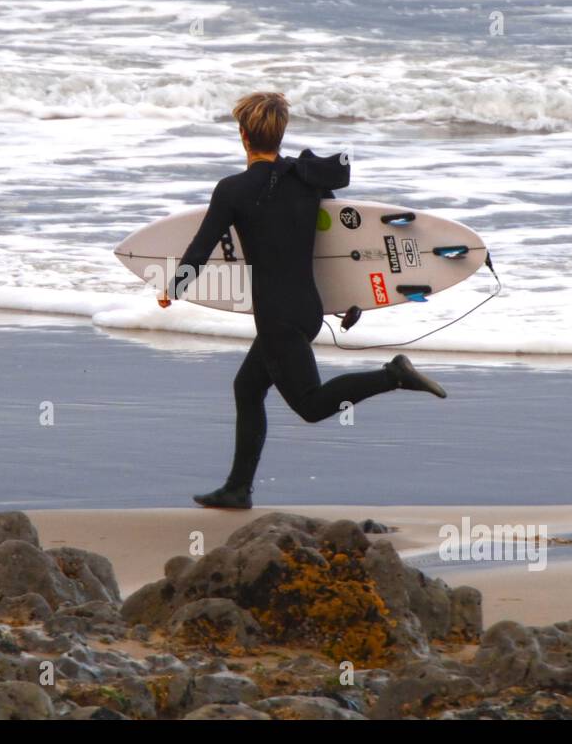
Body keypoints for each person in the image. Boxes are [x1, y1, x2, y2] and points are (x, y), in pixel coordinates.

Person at [162, 92, 446, 509]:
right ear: (281, 134)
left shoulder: (233, 190)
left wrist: (173, 289)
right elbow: (340, 248)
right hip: (308, 309)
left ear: (243, 137)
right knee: (247, 387)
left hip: (277, 317)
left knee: (311, 406)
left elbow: (201, 249)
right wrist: (353, 300)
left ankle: (393, 375)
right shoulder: (308, 180)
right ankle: (238, 488)